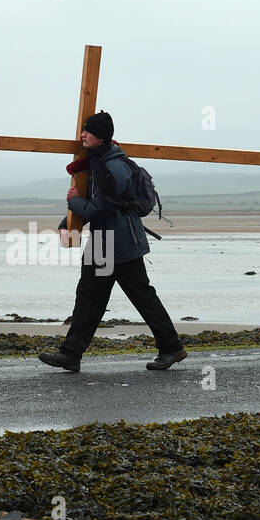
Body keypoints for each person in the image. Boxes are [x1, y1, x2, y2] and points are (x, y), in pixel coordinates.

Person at [38, 111, 187, 372]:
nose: (82, 135)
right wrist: (67, 223)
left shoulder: (114, 166)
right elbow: (93, 203)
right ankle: (71, 354)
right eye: (83, 130)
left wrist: (74, 201)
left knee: (142, 298)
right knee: (88, 298)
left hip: (121, 244)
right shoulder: (97, 161)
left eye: (88, 131)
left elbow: (99, 209)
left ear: (101, 136)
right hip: (104, 242)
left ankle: (172, 348)